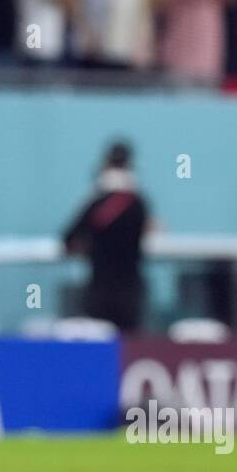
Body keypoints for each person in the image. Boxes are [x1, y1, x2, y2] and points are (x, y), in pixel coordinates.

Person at [62, 141, 152, 332]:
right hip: (130, 290)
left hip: (100, 288)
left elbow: (68, 239)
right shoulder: (139, 204)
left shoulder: (97, 203)